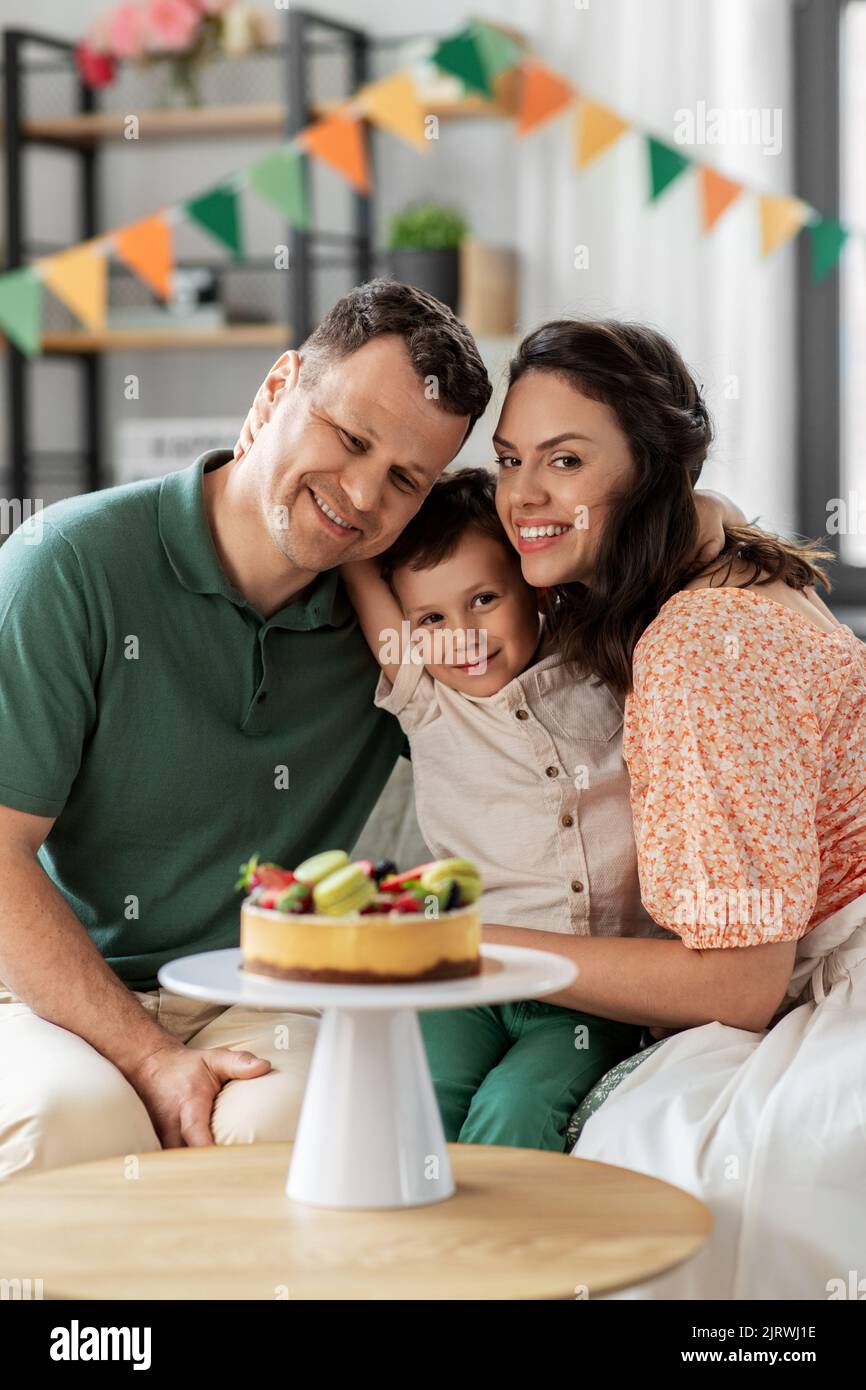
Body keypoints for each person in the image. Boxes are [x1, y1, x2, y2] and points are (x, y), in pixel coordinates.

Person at [0, 279, 491, 1180]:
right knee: (72, 1124)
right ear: (276, 390)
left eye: (404, 480)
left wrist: (713, 532)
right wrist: (148, 1059)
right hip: (41, 990)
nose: (359, 494)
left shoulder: (394, 627)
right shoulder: (64, 565)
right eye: (349, 438)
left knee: (294, 1131)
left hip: (253, 991)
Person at [481, 316, 866, 1298]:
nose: (522, 495)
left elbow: (737, 987)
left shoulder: (701, 644)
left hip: (832, 993)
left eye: (564, 460)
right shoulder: (733, 551)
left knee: (652, 1166)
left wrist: (479, 948)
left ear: (653, 467)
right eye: (509, 459)